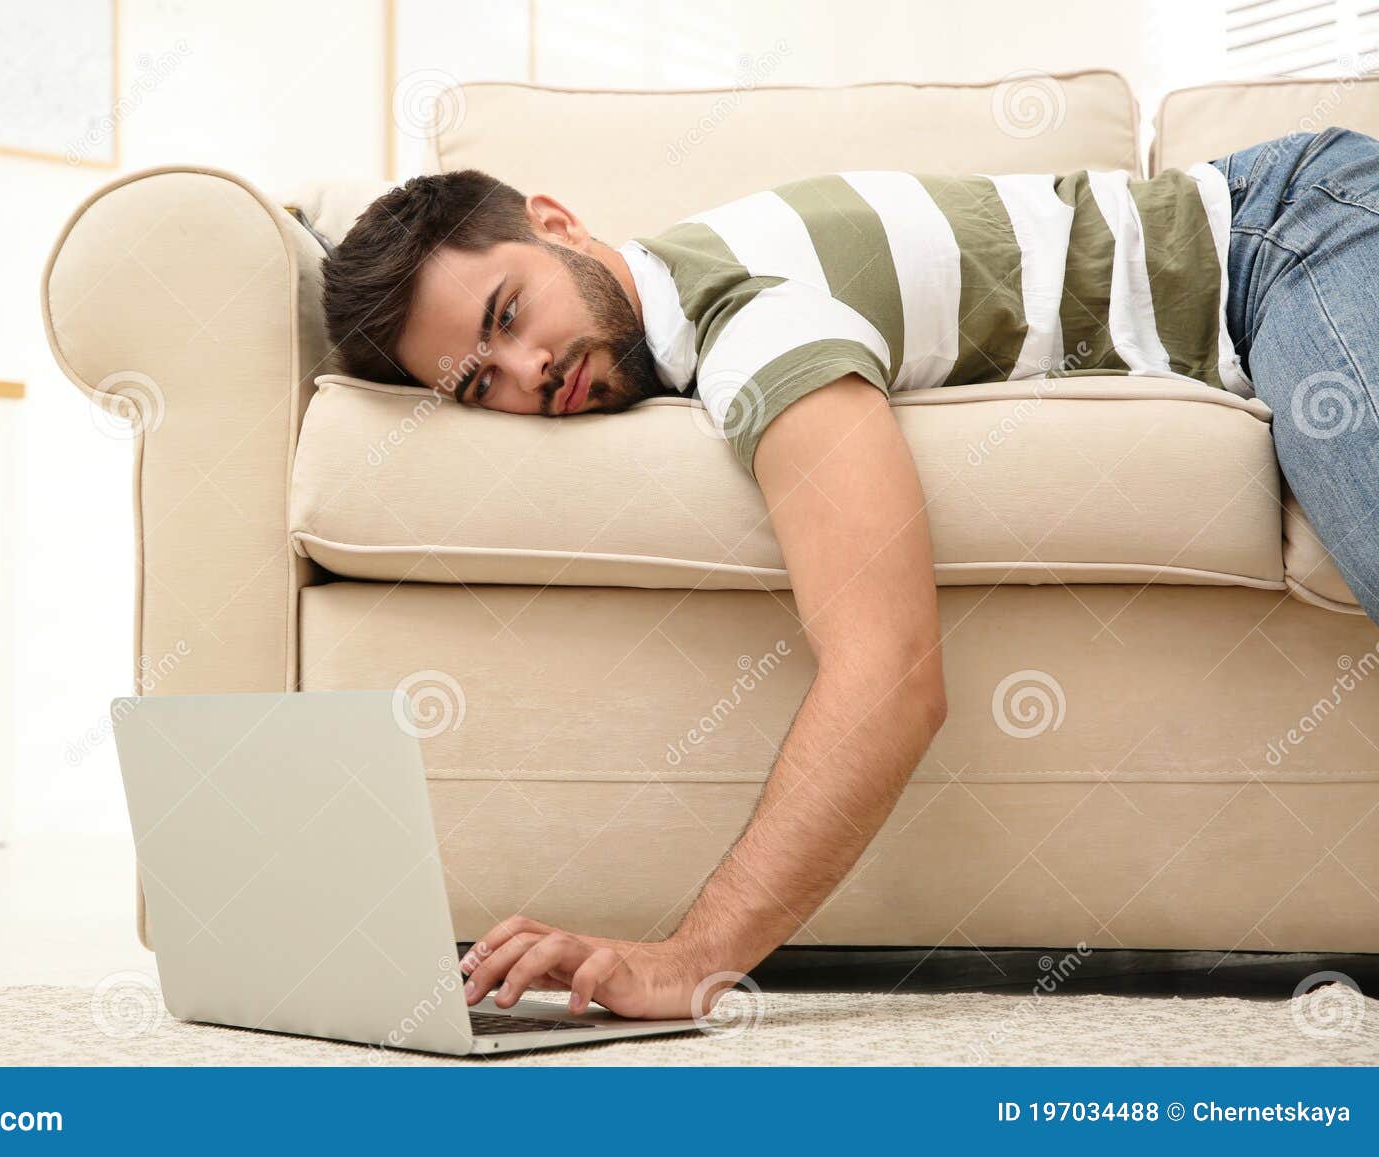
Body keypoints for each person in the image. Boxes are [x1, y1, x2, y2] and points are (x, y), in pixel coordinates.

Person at [318, 126, 1379, 1020]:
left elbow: (889, 676)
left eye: (508, 315)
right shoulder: (691, 303)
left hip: (1293, 231)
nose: (528, 372)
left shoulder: (751, 319)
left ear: (556, 224)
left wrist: (692, 958)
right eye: (479, 383)